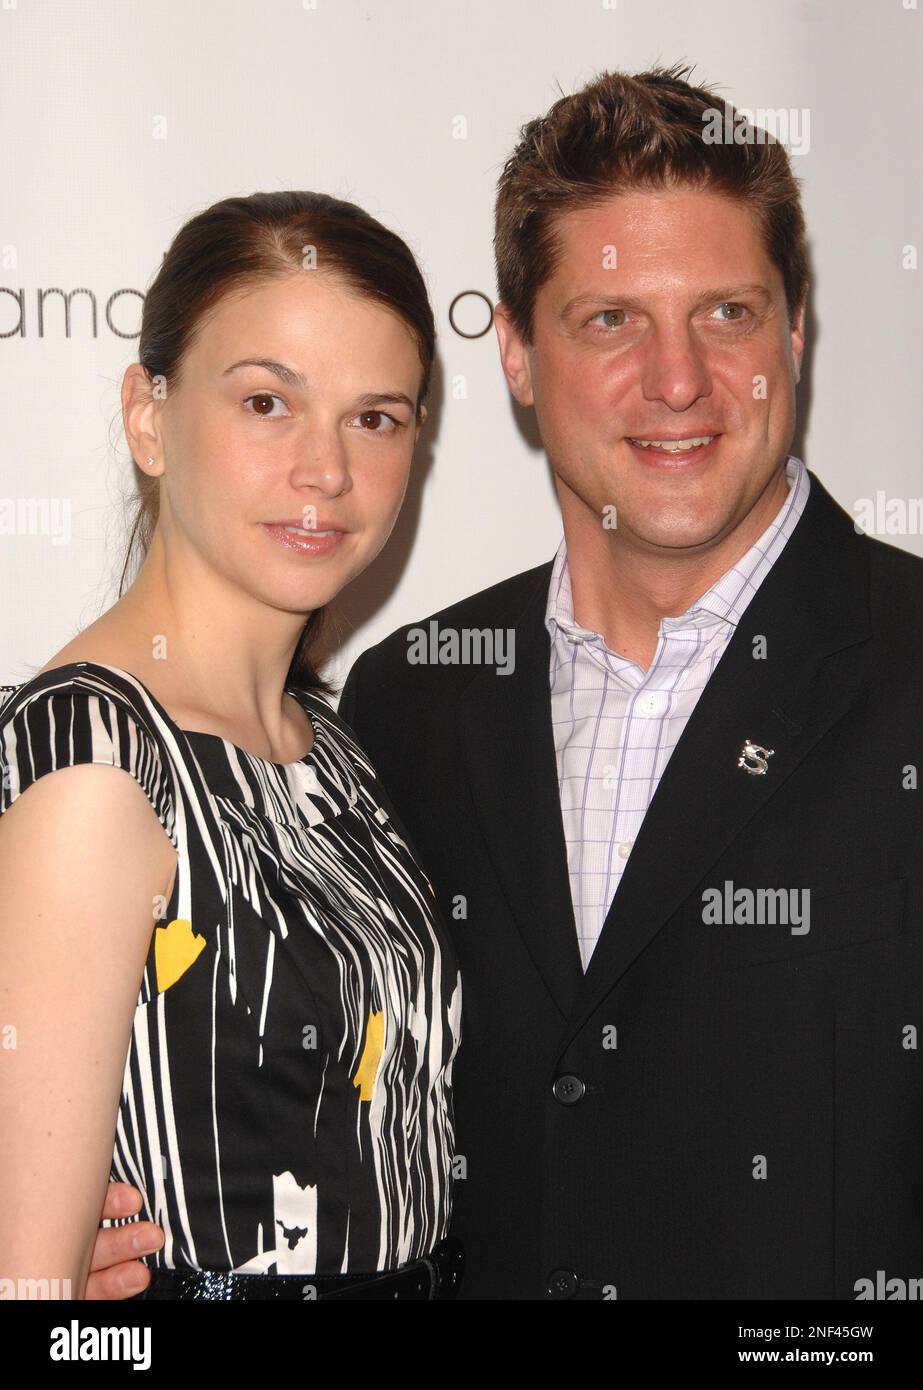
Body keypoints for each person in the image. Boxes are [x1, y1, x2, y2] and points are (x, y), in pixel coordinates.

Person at [90, 62, 923, 1301]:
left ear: (793, 332)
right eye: (608, 321)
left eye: (726, 314)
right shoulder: (402, 705)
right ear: (518, 357)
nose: (677, 380)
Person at [0, 191, 463, 1300]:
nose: (325, 471)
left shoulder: (333, 748)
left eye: (375, 417)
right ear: (149, 416)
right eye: (267, 402)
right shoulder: (97, 760)